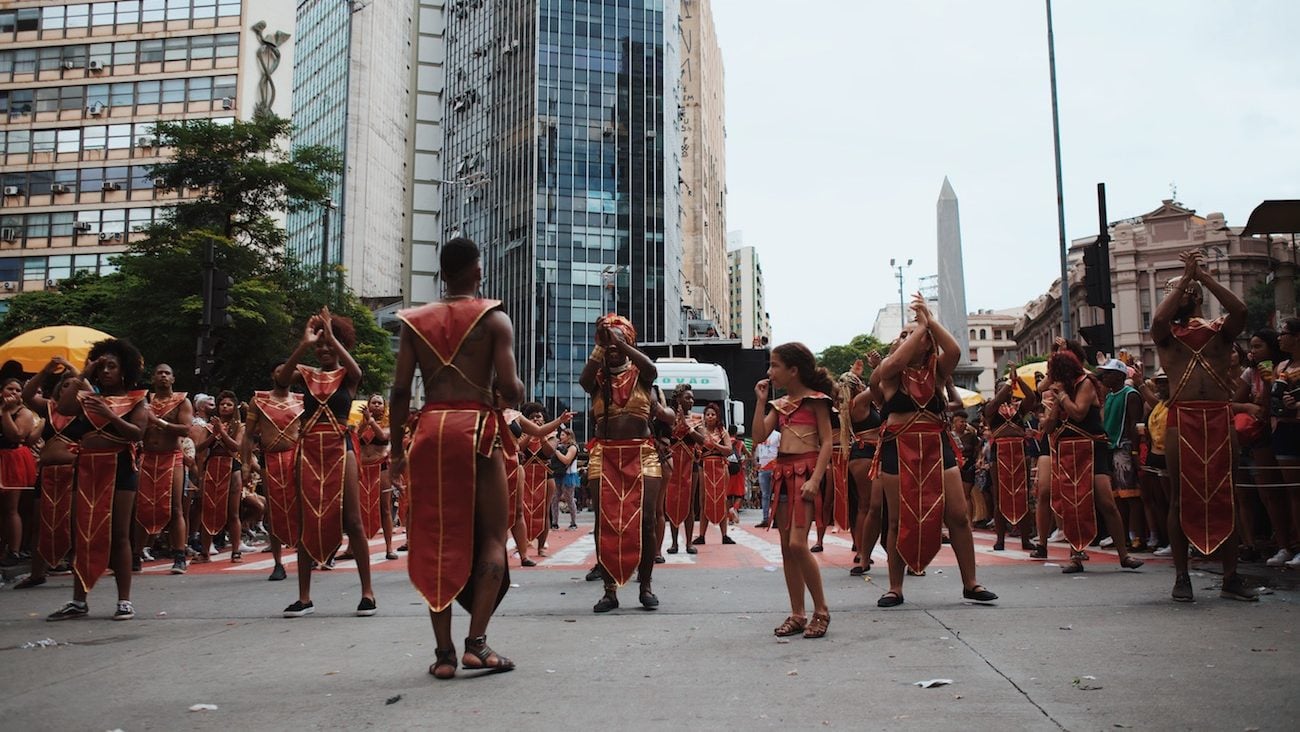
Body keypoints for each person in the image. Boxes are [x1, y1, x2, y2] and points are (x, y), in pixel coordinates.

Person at [390, 236, 522, 678]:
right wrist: (512, 390)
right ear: (477, 269)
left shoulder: (414, 322)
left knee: (434, 538)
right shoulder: (493, 320)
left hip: (428, 433)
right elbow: (510, 389)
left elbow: (400, 391)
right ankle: (476, 643)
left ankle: (443, 654)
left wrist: (395, 452)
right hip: (478, 431)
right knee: (492, 536)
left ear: (443, 273)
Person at [870, 294, 996, 608]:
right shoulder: (888, 372)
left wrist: (929, 321)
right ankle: (895, 587)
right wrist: (920, 328)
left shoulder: (937, 372)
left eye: (913, 335)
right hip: (898, 446)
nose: (905, 339)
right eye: (902, 335)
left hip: (936, 446)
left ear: (927, 343)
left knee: (958, 514)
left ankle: (971, 583)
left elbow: (953, 349)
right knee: (898, 520)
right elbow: (897, 361)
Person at [1150, 251, 1257, 601]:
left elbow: (1240, 311)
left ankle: (1231, 576)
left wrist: (1204, 277)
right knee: (1180, 499)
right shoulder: (1168, 337)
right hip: (1183, 418)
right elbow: (1158, 323)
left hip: (1217, 414)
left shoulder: (1220, 332)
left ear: (1195, 299)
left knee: (1225, 493)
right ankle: (1182, 576)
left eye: (1183, 293)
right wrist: (1184, 279)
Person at [278, 307, 377, 618]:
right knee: (307, 519)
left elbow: (359, 374)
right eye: (319, 345)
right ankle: (304, 597)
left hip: (341, 446)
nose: (323, 349)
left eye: (328, 344)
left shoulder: (347, 377)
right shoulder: (305, 375)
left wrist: (333, 338)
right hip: (309, 449)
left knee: (354, 519)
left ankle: (367, 592)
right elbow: (281, 379)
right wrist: (304, 344)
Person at [47, 339, 148, 621]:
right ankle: (79, 601)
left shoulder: (137, 398)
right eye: (101, 365)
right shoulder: (87, 397)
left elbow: (137, 433)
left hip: (120, 468)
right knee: (84, 534)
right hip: (89, 468)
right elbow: (64, 409)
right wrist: (82, 374)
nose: (105, 371)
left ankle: (124, 600)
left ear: (124, 370)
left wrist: (108, 415)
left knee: (119, 535)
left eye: (111, 366)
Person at [579, 313, 662, 613]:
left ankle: (646, 585)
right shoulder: (599, 379)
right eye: (607, 341)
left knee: (647, 519)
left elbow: (652, 368)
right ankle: (609, 590)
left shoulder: (642, 374)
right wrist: (601, 346)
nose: (612, 346)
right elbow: (583, 381)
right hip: (606, 454)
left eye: (619, 339)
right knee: (605, 520)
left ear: (629, 340)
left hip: (641, 452)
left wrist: (621, 344)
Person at [753, 342, 834, 638]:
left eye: (775, 365)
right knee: (787, 548)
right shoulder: (780, 405)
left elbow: (827, 441)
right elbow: (759, 436)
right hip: (783, 473)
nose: (769, 371)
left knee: (799, 544)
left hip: (806, 473)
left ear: (793, 370)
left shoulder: (817, 401)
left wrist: (816, 479)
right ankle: (797, 613)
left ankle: (821, 610)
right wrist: (761, 402)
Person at [1043, 352, 1143, 574]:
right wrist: (1053, 409)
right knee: (1072, 504)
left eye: (1052, 371)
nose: (1050, 376)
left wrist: (1061, 398)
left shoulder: (1086, 383)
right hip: (1068, 451)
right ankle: (1076, 555)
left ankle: (1123, 554)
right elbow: (1048, 428)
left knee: (1106, 502)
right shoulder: (1060, 390)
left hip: (1092, 449)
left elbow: (1078, 413)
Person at [14, 361, 83, 589]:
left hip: (73, 473)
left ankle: (78, 570)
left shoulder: (85, 411)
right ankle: (37, 573)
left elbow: (95, 395)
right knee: (39, 523)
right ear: (58, 390)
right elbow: (27, 394)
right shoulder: (49, 408)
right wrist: (46, 370)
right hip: (46, 474)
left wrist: (76, 371)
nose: (69, 390)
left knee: (75, 524)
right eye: (65, 386)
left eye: (75, 386)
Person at [243, 363, 305, 582]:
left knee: (301, 507)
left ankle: (308, 556)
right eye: (279, 370)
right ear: (272, 375)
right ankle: (278, 563)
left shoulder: (300, 401)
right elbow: (248, 435)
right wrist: (245, 464)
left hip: (296, 459)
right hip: (270, 460)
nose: (284, 374)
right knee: (273, 509)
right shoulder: (258, 401)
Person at [134, 364, 193, 575]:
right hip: (148, 457)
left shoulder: (182, 401)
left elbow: (186, 429)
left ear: (173, 378)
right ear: (153, 378)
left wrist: (158, 422)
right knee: (142, 508)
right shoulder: (144, 401)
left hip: (172, 457)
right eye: (159, 373)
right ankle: (135, 554)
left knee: (176, 507)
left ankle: (179, 555)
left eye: (167, 373)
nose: (163, 376)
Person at [983, 364, 1038, 551]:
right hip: (1000, 453)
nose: (1005, 391)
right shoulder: (990, 408)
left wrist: (1018, 380)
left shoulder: (1018, 409)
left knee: (1022, 495)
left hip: (1020, 452)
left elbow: (1031, 397)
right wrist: (1008, 382)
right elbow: (995, 401)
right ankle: (1000, 539)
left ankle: (1025, 538)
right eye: (1001, 389)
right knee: (1000, 496)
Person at [844, 355, 885, 576]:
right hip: (865, 453)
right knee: (867, 506)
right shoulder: (859, 402)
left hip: (863, 454)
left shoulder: (854, 404)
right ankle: (862, 552)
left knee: (863, 505)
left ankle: (862, 551)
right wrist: (877, 367)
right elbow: (876, 384)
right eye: (858, 383)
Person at [1098, 359, 1145, 551]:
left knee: (1131, 495)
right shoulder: (1110, 396)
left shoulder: (1130, 395)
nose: (1104, 377)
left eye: (1108, 374)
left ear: (1119, 375)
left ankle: (1137, 537)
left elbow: (1133, 425)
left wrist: (1134, 451)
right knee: (1117, 496)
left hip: (1124, 447)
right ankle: (1122, 536)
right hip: (1110, 447)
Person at [195, 391, 245, 564]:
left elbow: (236, 447)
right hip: (212, 465)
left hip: (232, 467)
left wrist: (222, 433)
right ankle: (204, 552)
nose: (225, 407)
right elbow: (199, 448)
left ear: (234, 407)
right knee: (208, 509)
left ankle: (236, 550)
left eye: (229, 404)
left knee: (233, 512)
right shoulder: (209, 425)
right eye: (222, 404)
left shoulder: (240, 426)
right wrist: (213, 434)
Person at [1268, 318, 1300, 567]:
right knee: (1290, 491)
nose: (1280, 337)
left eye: (1284, 333)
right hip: (1284, 430)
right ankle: (1289, 545)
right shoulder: (1281, 367)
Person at [350, 394, 397, 561]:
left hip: (381, 467)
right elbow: (355, 436)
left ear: (384, 407)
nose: (376, 405)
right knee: (355, 508)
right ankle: (350, 548)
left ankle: (389, 547)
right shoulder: (359, 421)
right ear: (368, 405)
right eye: (373, 402)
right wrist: (365, 421)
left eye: (379, 403)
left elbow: (383, 437)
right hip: (361, 468)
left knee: (385, 507)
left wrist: (371, 421)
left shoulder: (389, 423)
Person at [663, 384, 709, 552]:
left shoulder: (697, 418)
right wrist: (677, 423)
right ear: (678, 400)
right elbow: (665, 436)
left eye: (692, 398)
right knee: (672, 500)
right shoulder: (668, 416)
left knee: (689, 502)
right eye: (688, 397)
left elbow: (702, 440)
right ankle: (674, 543)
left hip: (691, 464)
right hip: (671, 463)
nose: (692, 400)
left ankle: (689, 542)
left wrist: (687, 426)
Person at [0, 376, 38, 566]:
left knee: (11, 507)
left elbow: (16, 434)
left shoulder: (24, 412)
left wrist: (6, 413)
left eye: (17, 390)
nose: (14, 393)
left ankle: (14, 550)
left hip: (12, 458)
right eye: (10, 389)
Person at [694, 403, 735, 546]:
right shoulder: (699, 430)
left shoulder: (722, 431)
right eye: (707, 414)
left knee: (722, 499)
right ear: (704, 417)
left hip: (720, 466)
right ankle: (701, 535)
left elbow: (729, 450)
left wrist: (715, 445)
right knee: (703, 499)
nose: (710, 416)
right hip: (704, 466)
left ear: (717, 417)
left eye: (713, 414)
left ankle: (724, 535)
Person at [551, 426, 579, 530]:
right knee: (555, 498)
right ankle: (554, 522)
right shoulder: (559, 445)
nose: (560, 437)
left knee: (569, 498)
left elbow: (567, 460)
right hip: (558, 474)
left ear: (569, 436)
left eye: (563, 435)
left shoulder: (573, 447)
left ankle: (573, 522)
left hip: (568, 475)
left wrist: (556, 452)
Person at [753, 424, 781, 529]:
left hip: (775, 468)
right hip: (763, 469)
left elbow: (782, 450)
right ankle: (765, 519)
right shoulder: (759, 436)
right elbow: (754, 449)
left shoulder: (778, 435)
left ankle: (777, 520)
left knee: (776, 494)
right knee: (765, 495)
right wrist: (755, 463)